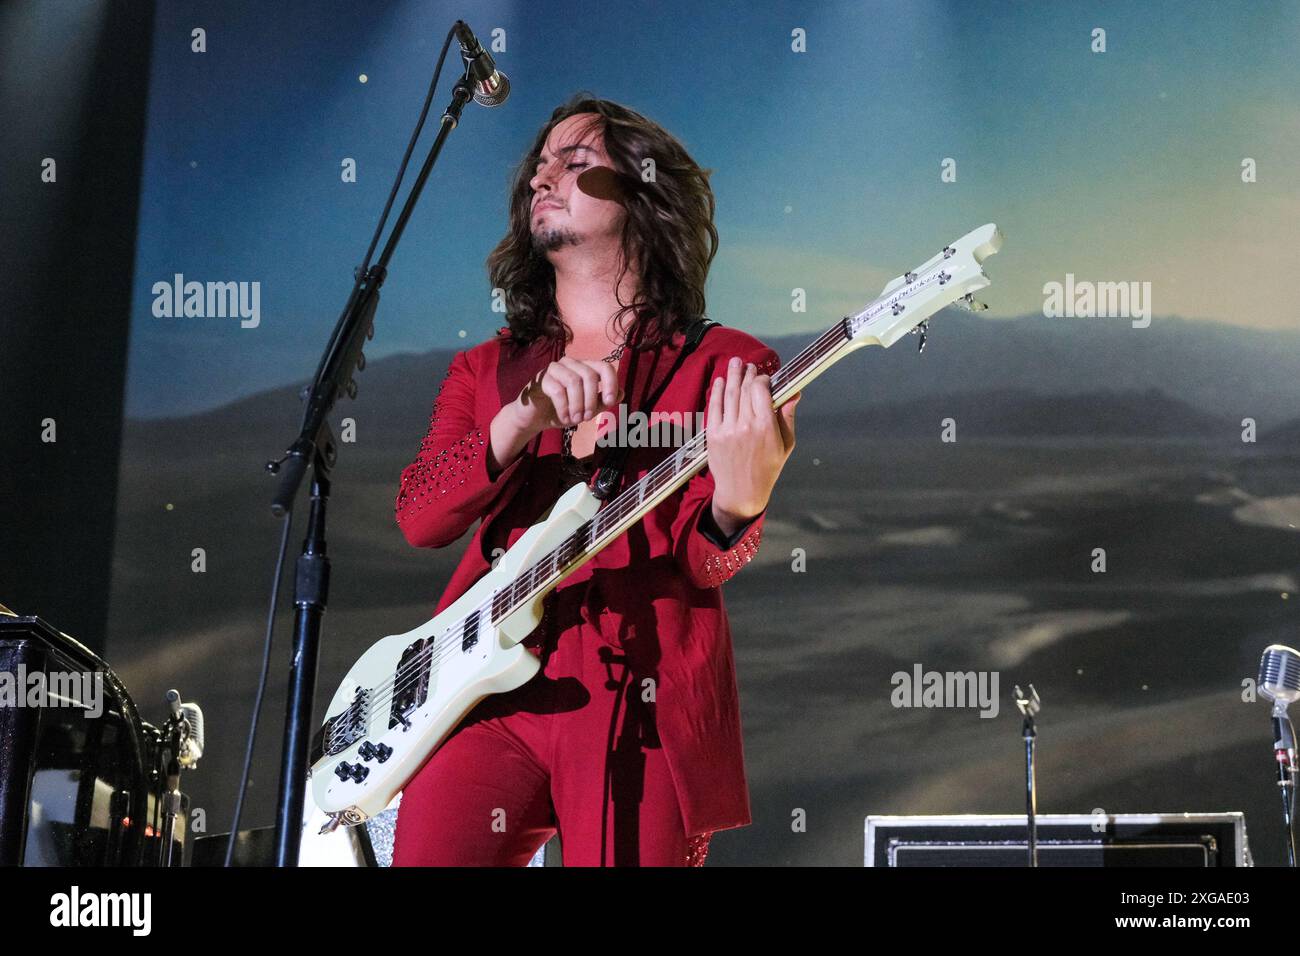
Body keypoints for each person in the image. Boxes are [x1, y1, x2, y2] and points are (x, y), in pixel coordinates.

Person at [389, 95, 799, 866]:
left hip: (641, 692)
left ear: (644, 194)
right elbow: (420, 515)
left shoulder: (725, 366)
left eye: (576, 165)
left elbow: (703, 563)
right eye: (540, 166)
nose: (544, 178)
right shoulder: (486, 368)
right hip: (482, 690)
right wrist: (520, 416)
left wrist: (741, 504)